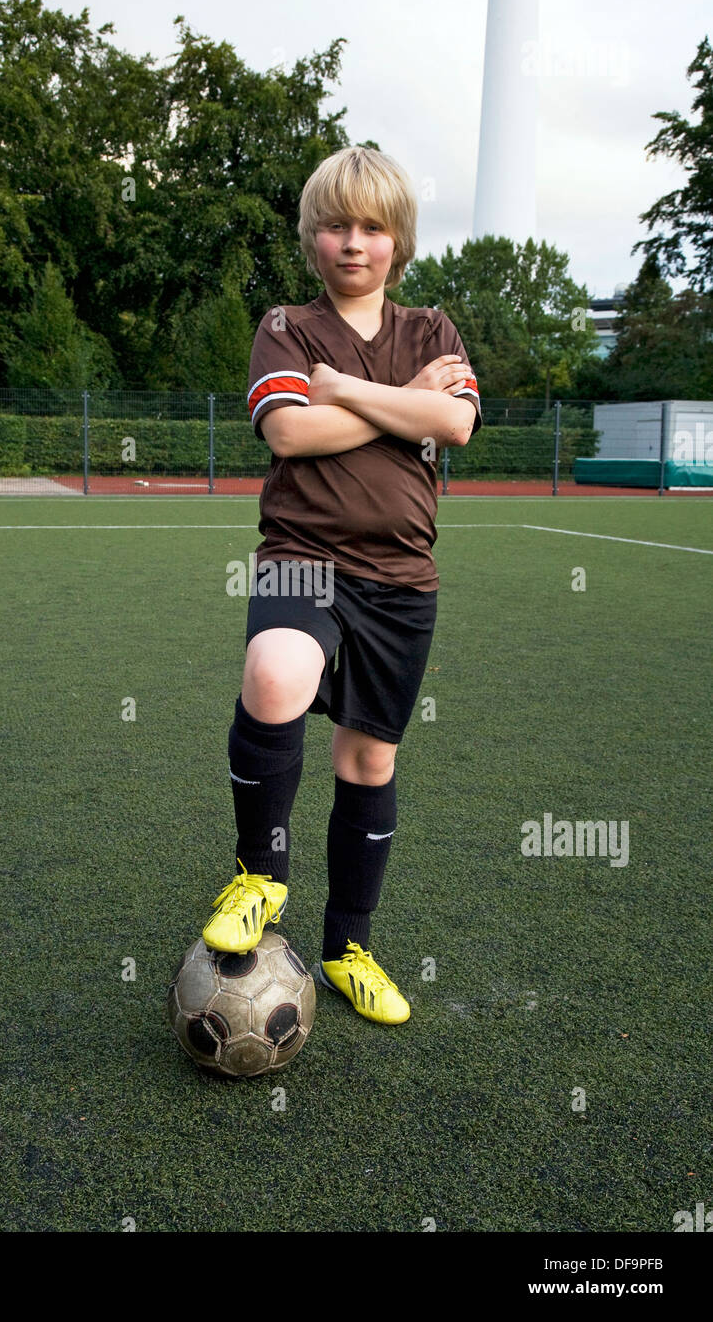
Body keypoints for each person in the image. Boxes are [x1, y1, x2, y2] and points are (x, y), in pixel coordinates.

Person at [202, 145, 481, 1024]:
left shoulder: (434, 330)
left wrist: (353, 392)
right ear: (310, 236)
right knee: (277, 672)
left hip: (402, 579)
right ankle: (259, 878)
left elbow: (456, 423)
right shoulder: (286, 328)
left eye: (371, 227)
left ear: (397, 238)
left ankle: (347, 946)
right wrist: (402, 404)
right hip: (302, 553)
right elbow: (287, 434)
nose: (352, 243)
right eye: (334, 225)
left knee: (368, 759)